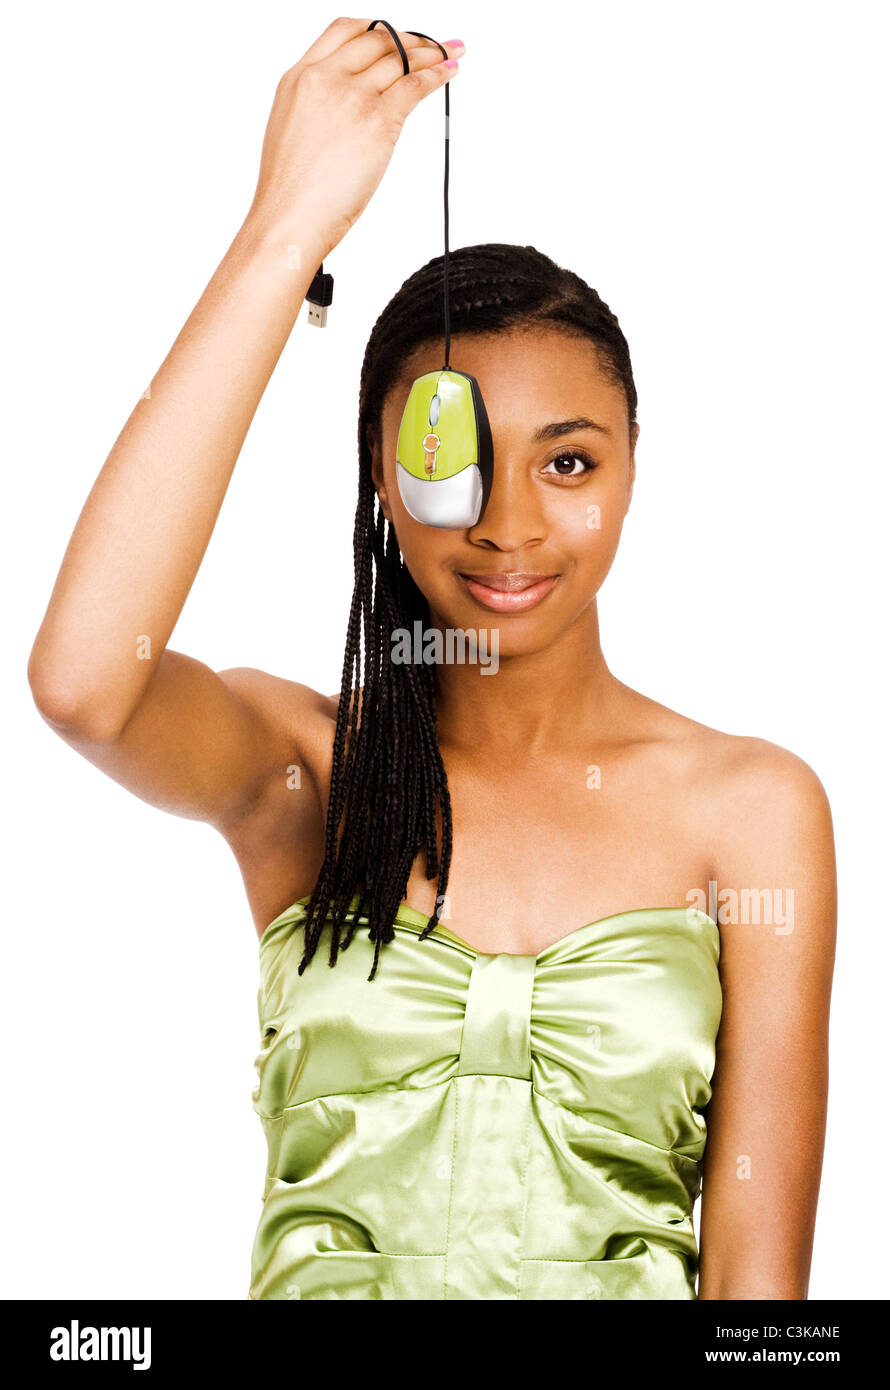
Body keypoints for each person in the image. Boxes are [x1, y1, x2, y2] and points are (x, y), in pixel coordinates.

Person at [27, 18, 837, 1300]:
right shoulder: (305, 776)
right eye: (453, 459)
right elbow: (84, 680)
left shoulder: (749, 812)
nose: (507, 522)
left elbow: (757, 1292)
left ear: (632, 467)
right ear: (379, 476)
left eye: (567, 460)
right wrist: (280, 237)